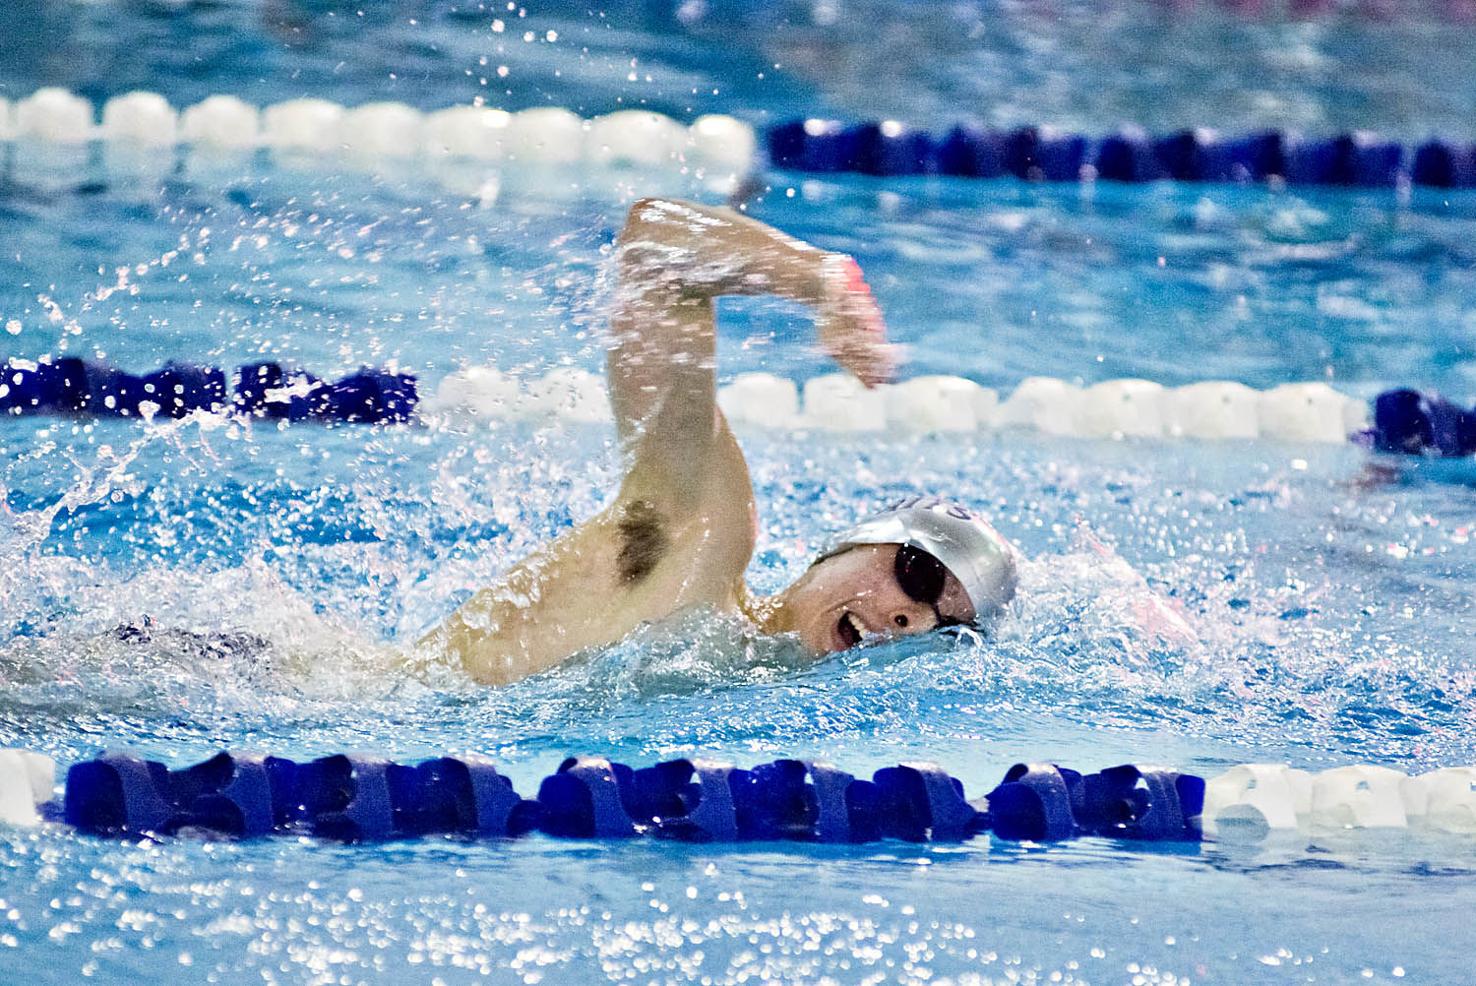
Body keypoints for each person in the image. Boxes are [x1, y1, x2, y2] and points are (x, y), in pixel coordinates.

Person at [417, 198, 1018, 686]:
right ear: (848, 544)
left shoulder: (753, 687)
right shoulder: (700, 543)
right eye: (915, 574)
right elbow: (653, 248)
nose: (908, 617)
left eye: (941, 627)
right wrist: (822, 283)